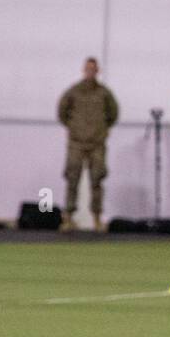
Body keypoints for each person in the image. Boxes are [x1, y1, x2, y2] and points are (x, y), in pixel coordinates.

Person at [57, 57, 120, 233]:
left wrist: (102, 130)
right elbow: (62, 112)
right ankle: (68, 217)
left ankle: (97, 217)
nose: (90, 72)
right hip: (76, 143)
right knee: (72, 178)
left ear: (97, 71)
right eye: (87, 69)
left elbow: (113, 114)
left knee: (97, 179)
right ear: (83, 70)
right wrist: (73, 128)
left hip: (97, 143)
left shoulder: (104, 93)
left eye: (93, 69)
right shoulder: (73, 91)